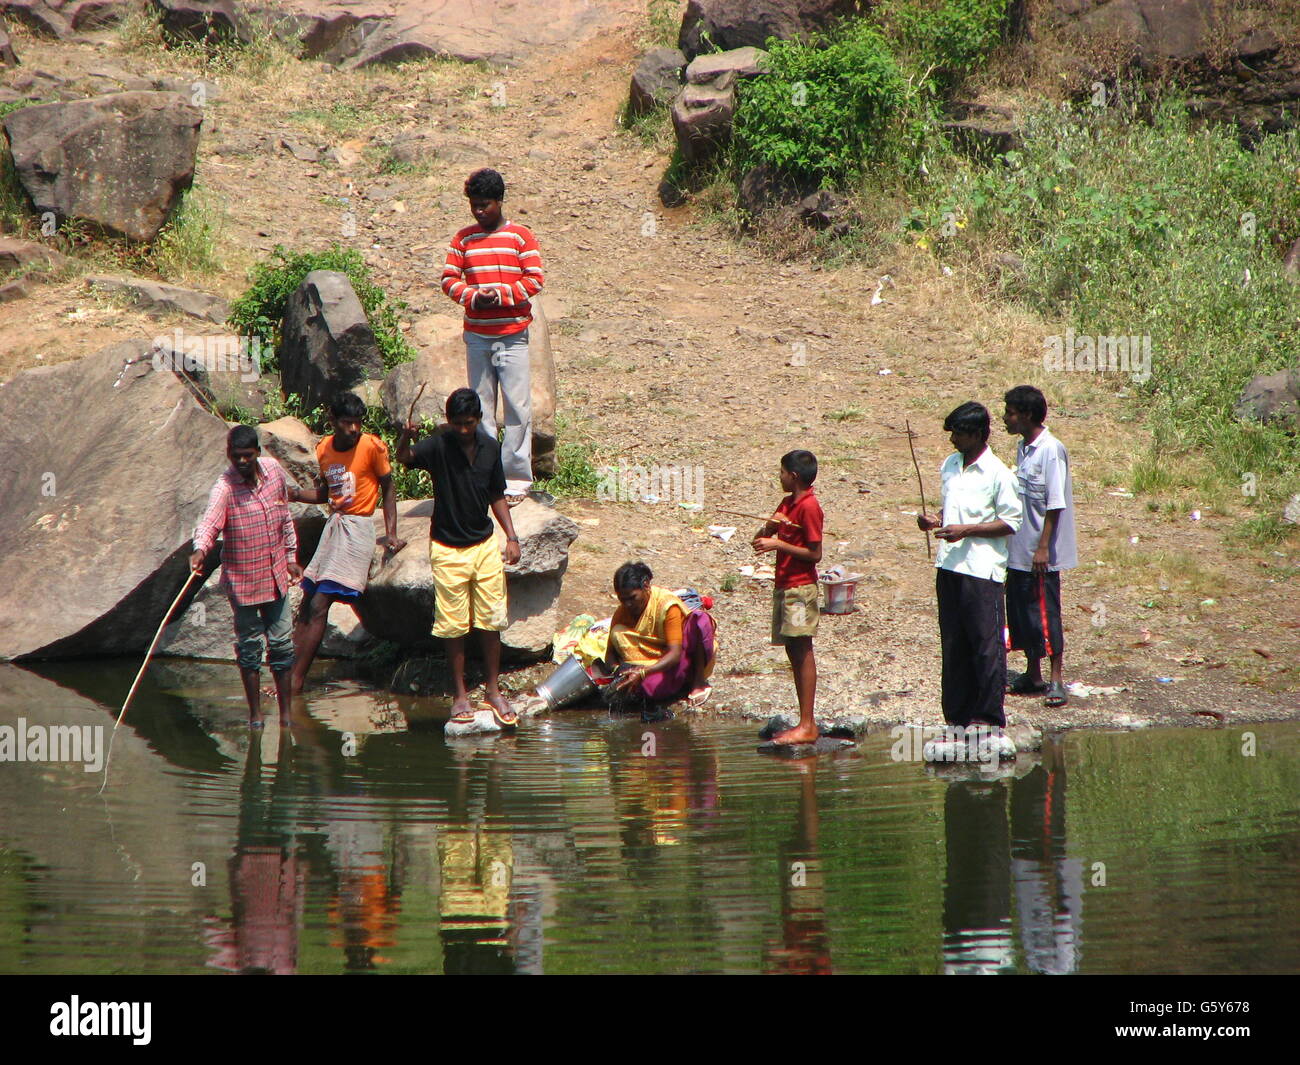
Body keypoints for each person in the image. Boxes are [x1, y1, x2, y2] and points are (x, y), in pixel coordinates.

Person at [396, 387, 522, 730]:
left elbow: (497, 493)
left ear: (478, 420)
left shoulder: (491, 448)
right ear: (449, 422)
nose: (463, 429)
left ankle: (494, 691)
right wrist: (403, 438)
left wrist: (511, 536)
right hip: (448, 549)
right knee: (453, 626)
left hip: (483, 545)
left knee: (492, 619)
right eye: (457, 423)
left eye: (468, 423)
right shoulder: (438, 445)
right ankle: (460, 695)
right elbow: (406, 458)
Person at [287, 391, 406, 695]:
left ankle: (295, 683)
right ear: (333, 421)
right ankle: (286, 676)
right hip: (334, 527)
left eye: (357, 423)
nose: (353, 429)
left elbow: (388, 487)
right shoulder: (325, 448)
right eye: (346, 423)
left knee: (319, 603)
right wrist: (297, 495)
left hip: (358, 527)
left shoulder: (371, 446)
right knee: (307, 602)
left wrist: (390, 532)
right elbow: (328, 493)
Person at [441, 167, 545, 506]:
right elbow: (448, 279)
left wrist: (499, 294)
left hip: (512, 335)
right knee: (481, 406)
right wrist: (472, 296)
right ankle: (485, 475)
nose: (478, 211)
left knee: (517, 406)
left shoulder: (520, 237)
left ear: (500, 201)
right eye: (474, 205)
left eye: (485, 204)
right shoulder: (464, 239)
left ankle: (515, 478)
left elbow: (534, 279)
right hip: (478, 336)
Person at [917, 403, 1023, 733]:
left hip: (981, 570)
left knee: (985, 644)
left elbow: (1011, 521)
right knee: (954, 642)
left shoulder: (998, 474)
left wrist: (966, 529)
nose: (953, 440)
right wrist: (936, 521)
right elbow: (952, 509)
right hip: (949, 566)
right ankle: (957, 715)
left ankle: (987, 716)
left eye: (959, 434)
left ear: (977, 434)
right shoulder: (950, 465)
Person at [190, 424, 302, 728]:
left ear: (257, 453)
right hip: (243, 583)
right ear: (229, 455)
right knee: (250, 649)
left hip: (276, 575)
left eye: (247, 456)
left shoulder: (274, 472)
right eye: (236, 457)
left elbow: (285, 517)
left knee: (282, 646)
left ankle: (286, 716)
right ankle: (255, 716)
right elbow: (210, 523)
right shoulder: (225, 487)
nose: (241, 462)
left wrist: (291, 556)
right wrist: (200, 550)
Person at [1002, 386, 1077, 709]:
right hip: (1018, 549)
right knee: (1022, 613)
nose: (1006, 418)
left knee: (1046, 613)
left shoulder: (1051, 450)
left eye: (1011, 412)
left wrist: (1043, 547)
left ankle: (1056, 678)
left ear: (1027, 415)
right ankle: (1033, 673)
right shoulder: (1024, 448)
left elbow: (1055, 504)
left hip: (1040, 552)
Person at [753, 450, 824, 745]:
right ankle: (803, 721)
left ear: (793, 476)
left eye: (781, 473)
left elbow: (815, 554)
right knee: (792, 650)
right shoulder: (787, 504)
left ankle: (808, 724)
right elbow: (759, 541)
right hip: (784, 586)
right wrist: (770, 527)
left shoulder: (809, 507)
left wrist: (778, 543)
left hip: (799, 589)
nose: (778, 477)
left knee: (801, 647)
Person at [603, 562, 717, 709]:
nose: (628, 604)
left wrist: (643, 672)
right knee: (642, 687)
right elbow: (610, 655)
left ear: (646, 586)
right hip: (651, 664)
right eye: (622, 599)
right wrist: (619, 672)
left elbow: (675, 653)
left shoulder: (667, 605)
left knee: (700, 619)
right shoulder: (622, 612)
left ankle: (698, 681)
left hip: (681, 659)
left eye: (632, 598)